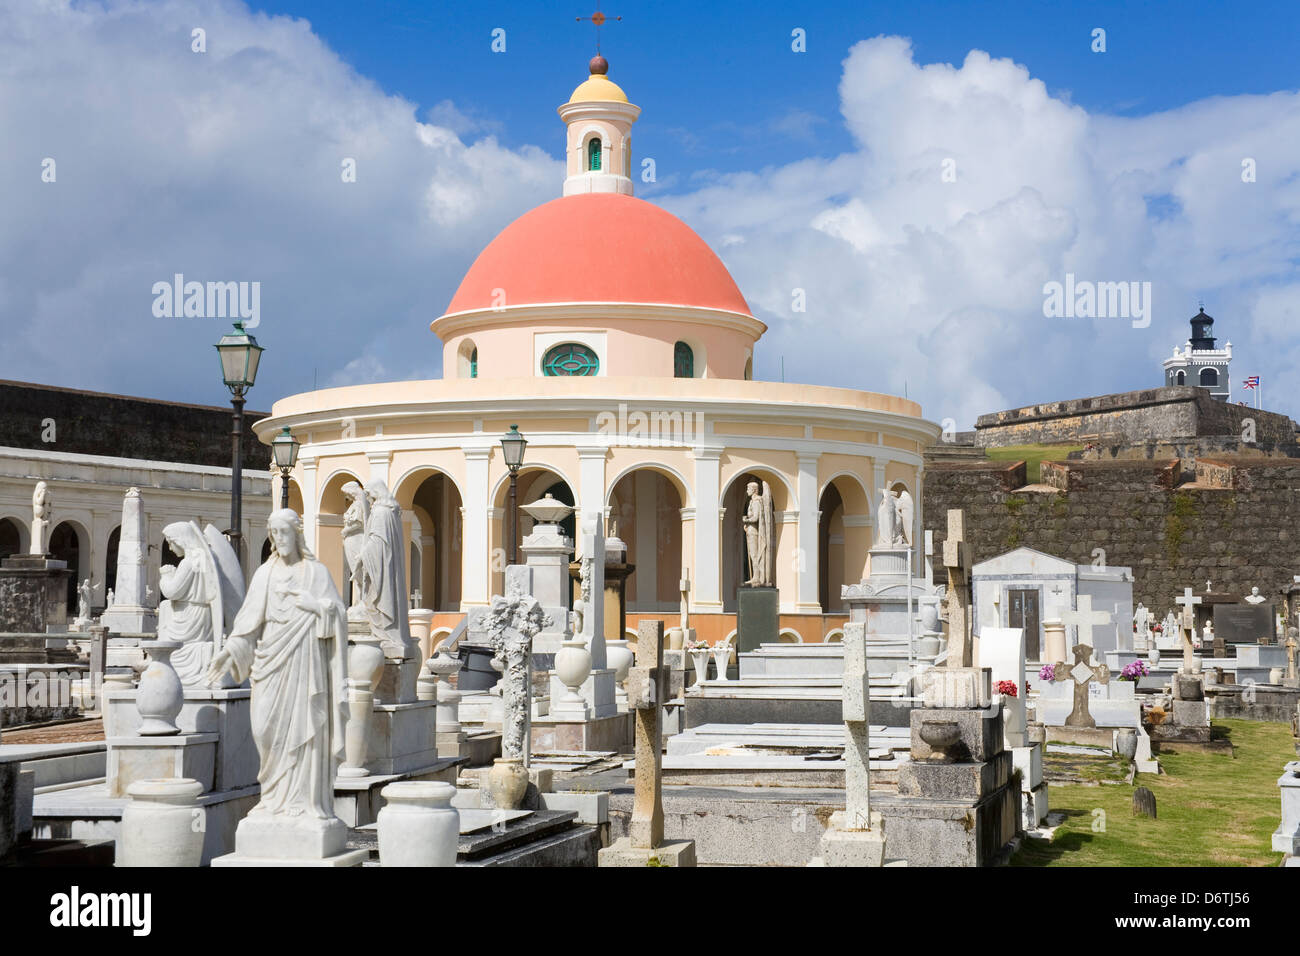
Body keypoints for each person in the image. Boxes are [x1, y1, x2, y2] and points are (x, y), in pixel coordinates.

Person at [207, 509, 347, 820]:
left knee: (307, 729)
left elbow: (338, 613)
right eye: (274, 533)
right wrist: (229, 650)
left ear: (297, 533)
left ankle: (304, 802)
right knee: (264, 730)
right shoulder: (264, 574)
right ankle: (271, 798)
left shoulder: (316, 573)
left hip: (305, 662)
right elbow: (247, 624)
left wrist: (316, 607)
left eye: (284, 532)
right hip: (270, 663)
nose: (279, 539)